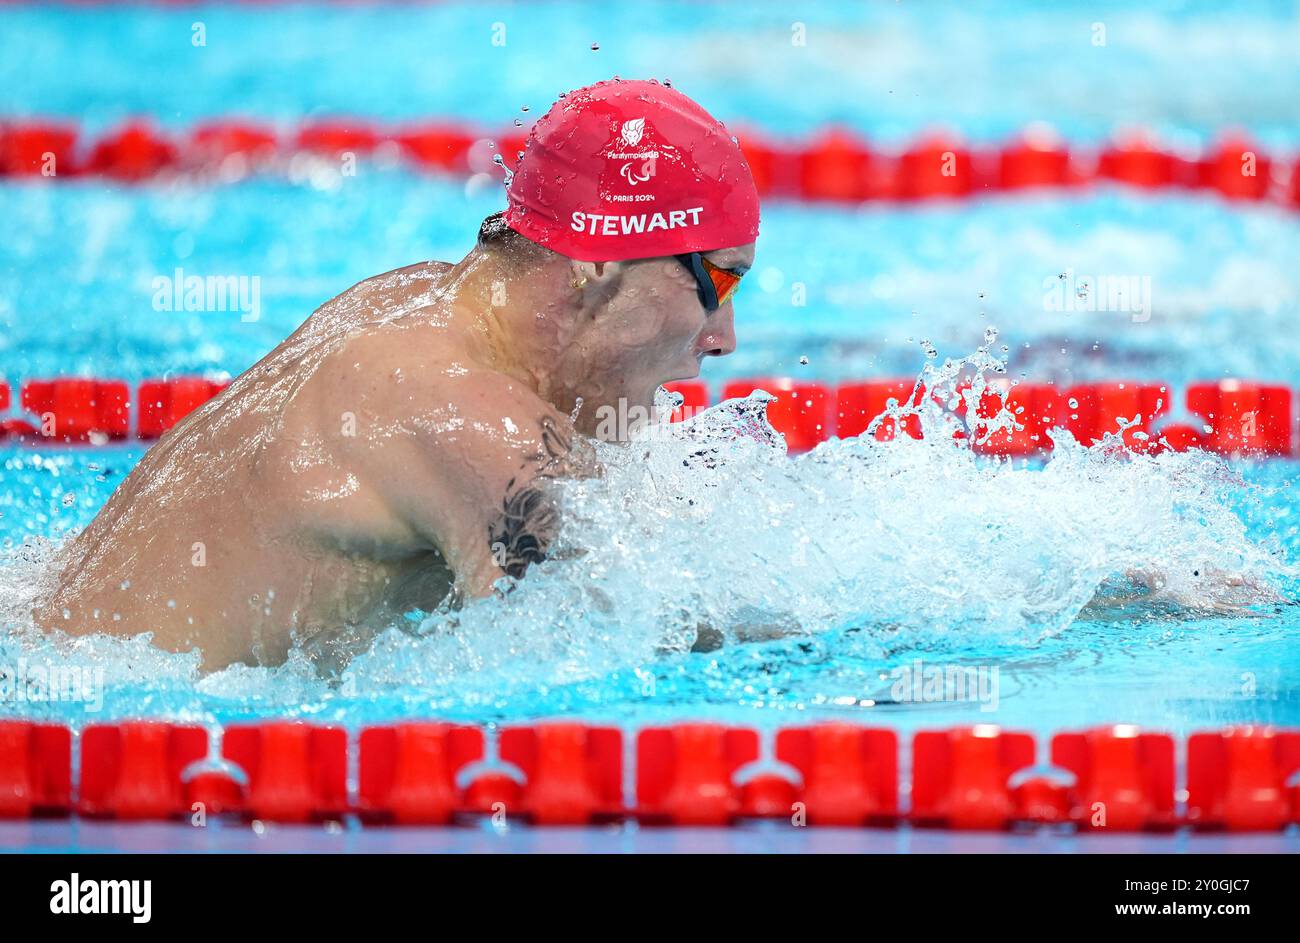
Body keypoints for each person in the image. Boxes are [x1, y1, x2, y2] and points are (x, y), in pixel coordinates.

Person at [36, 79, 760, 672]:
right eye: (719, 285)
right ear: (601, 262)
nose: (724, 338)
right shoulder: (472, 420)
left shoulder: (410, 299)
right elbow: (633, 640)